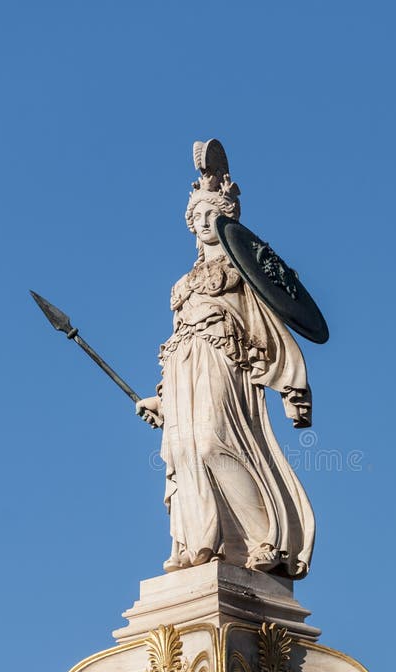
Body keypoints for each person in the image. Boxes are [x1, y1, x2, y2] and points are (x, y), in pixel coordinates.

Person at [137, 143, 314, 578]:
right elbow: (178, 338)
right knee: (185, 450)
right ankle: (201, 543)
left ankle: (263, 540)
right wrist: (163, 397)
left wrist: (293, 385)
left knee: (215, 441)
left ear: (227, 218)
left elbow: (271, 324)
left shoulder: (243, 272)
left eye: (210, 214)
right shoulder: (184, 283)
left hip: (224, 360)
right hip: (184, 369)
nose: (201, 224)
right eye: (195, 217)